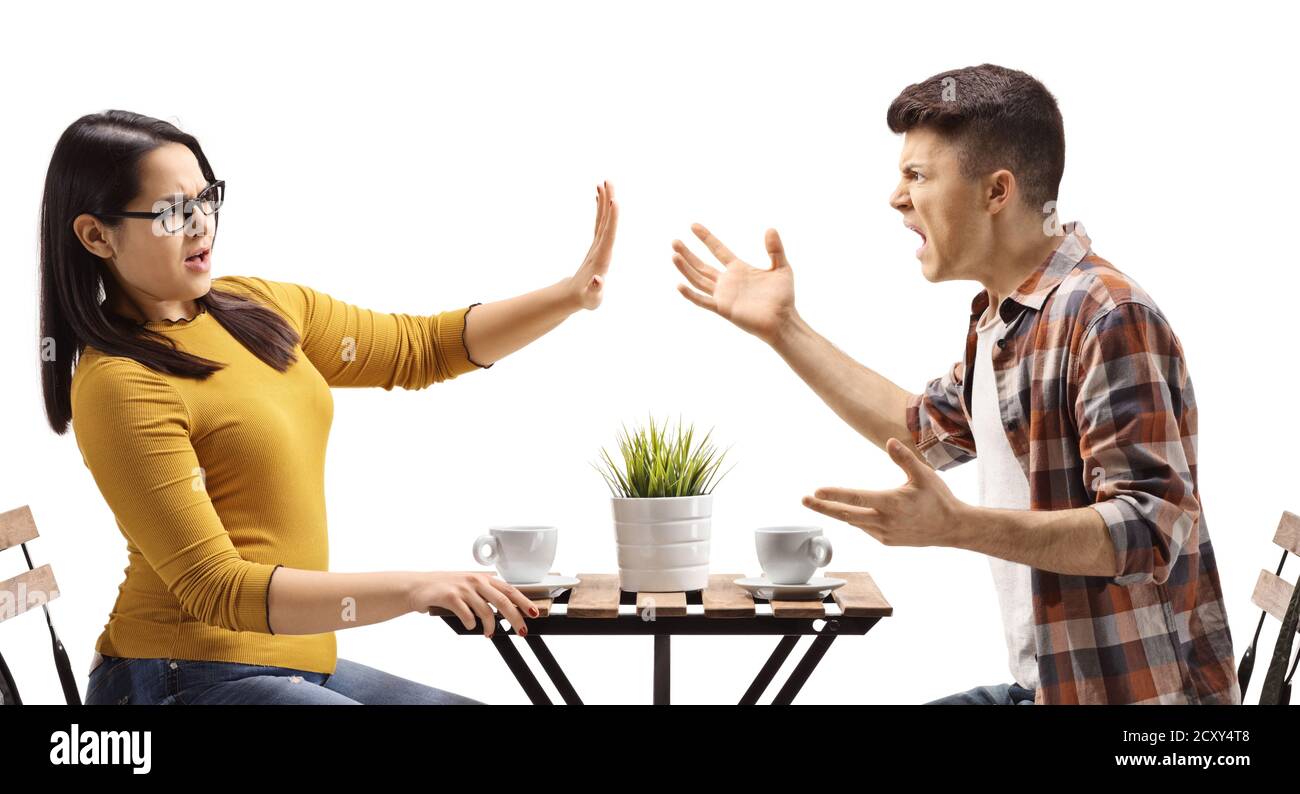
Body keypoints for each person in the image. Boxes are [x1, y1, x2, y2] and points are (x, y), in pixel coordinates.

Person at [669, 64, 1238, 705]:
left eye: (917, 175)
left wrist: (956, 526)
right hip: (1047, 688)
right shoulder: (1007, 318)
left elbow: (1145, 532)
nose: (896, 197)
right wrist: (784, 329)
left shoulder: (1106, 316)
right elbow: (920, 430)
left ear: (997, 192)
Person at [39, 109, 618, 704]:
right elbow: (217, 588)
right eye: (170, 211)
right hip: (178, 677)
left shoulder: (256, 308)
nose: (200, 225)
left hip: (298, 666)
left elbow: (421, 348)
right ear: (96, 235)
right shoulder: (121, 382)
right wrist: (414, 587)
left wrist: (569, 295)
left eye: (206, 198)